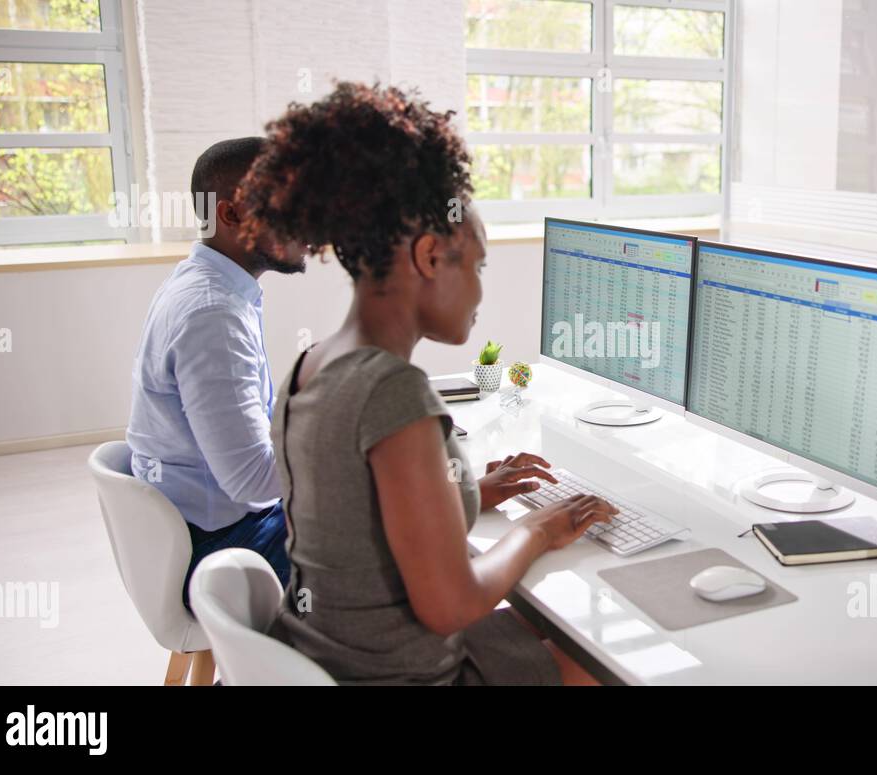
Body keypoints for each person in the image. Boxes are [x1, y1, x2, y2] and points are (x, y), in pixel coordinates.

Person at [239, 82, 616, 685]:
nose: (481, 289)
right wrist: (535, 529)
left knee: (558, 632)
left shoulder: (312, 365)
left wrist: (470, 491)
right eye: (477, 265)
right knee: (604, 662)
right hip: (398, 676)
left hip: (324, 655)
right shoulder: (393, 390)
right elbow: (451, 605)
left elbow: (355, 522)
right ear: (429, 257)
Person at [127, 137, 307, 606]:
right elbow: (253, 480)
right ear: (230, 216)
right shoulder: (214, 314)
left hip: (200, 532)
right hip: (216, 553)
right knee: (384, 526)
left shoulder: (204, 285)